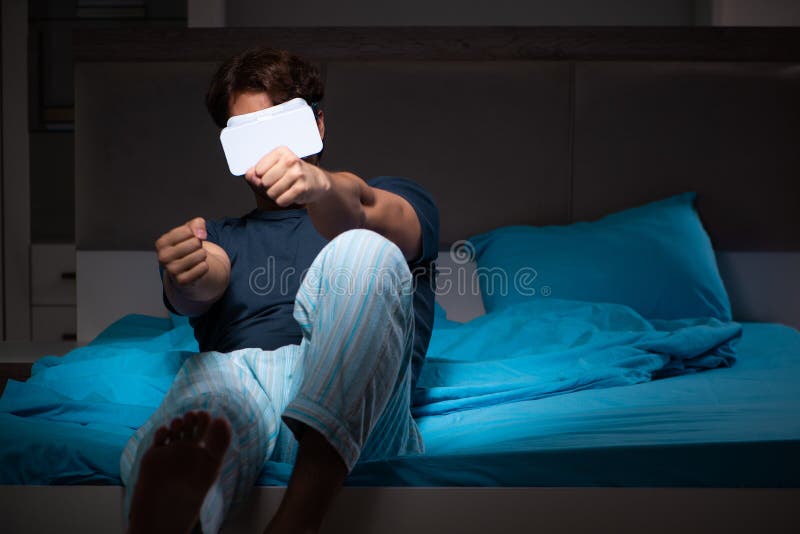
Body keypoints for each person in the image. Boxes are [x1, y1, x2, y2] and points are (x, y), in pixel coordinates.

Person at [119, 47, 439, 533]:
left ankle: (300, 514)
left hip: (362, 401)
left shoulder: (394, 202)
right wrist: (187, 272)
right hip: (245, 383)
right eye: (247, 138)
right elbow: (203, 285)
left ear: (318, 125)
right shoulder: (221, 236)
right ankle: (187, 497)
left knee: (364, 252)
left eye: (278, 129)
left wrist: (322, 187)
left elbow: (363, 206)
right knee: (215, 390)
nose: (266, 155)